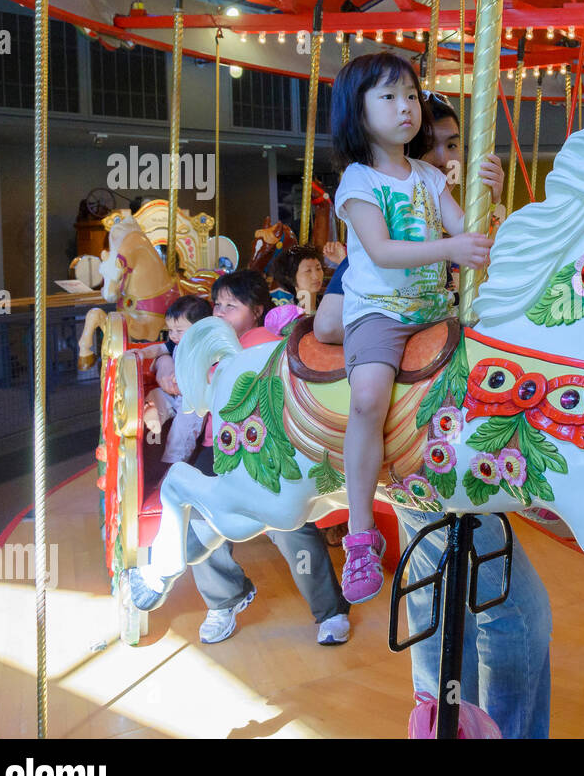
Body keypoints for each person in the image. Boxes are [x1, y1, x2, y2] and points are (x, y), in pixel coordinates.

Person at [318, 82, 551, 738]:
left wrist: (491, 207)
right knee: (509, 610)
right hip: (424, 435)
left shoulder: (437, 202)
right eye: (442, 146)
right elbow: (331, 318)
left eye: (460, 145)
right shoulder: (383, 214)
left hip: (461, 429)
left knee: (453, 603)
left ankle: (456, 722)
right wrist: (409, 309)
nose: (454, 158)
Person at [185, 270, 352, 646]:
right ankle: (224, 597)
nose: (222, 312)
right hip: (222, 452)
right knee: (199, 511)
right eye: (218, 305)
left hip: (268, 448)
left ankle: (330, 609)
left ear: (257, 311)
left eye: (233, 305)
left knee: (291, 521)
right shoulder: (211, 345)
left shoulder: (269, 345)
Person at [139, 295, 212, 465]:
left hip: (193, 400)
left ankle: (173, 463)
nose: (173, 335)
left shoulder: (205, 346)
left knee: (183, 430)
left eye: (179, 330)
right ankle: (151, 431)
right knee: (152, 397)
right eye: (170, 330)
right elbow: (159, 348)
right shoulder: (177, 343)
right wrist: (142, 353)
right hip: (173, 394)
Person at [270, 243, 326, 312]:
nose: (316, 276)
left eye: (318, 268)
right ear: (290, 277)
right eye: (308, 271)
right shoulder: (287, 314)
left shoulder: (328, 305)